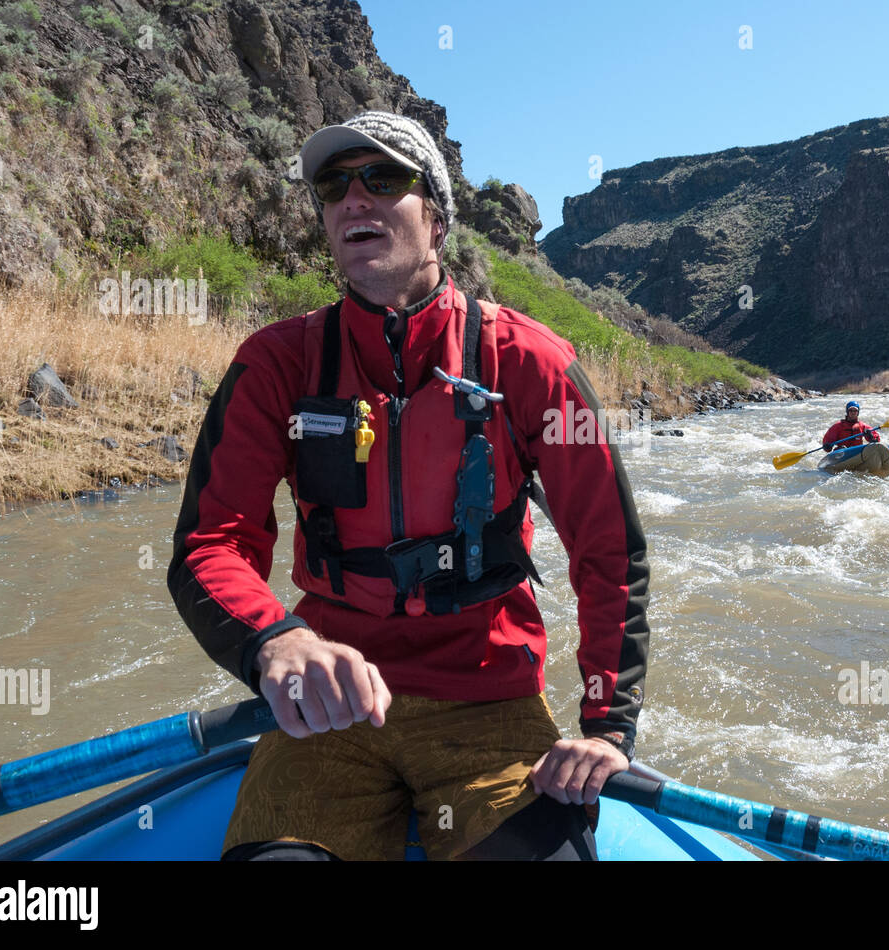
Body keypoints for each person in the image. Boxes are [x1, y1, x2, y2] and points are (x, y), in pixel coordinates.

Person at [168, 111, 649, 861]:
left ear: (437, 218)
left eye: (383, 179)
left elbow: (608, 551)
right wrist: (275, 641)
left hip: (489, 704)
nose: (353, 200)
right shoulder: (274, 365)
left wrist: (605, 726)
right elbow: (209, 542)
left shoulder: (531, 363)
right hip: (325, 713)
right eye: (334, 185)